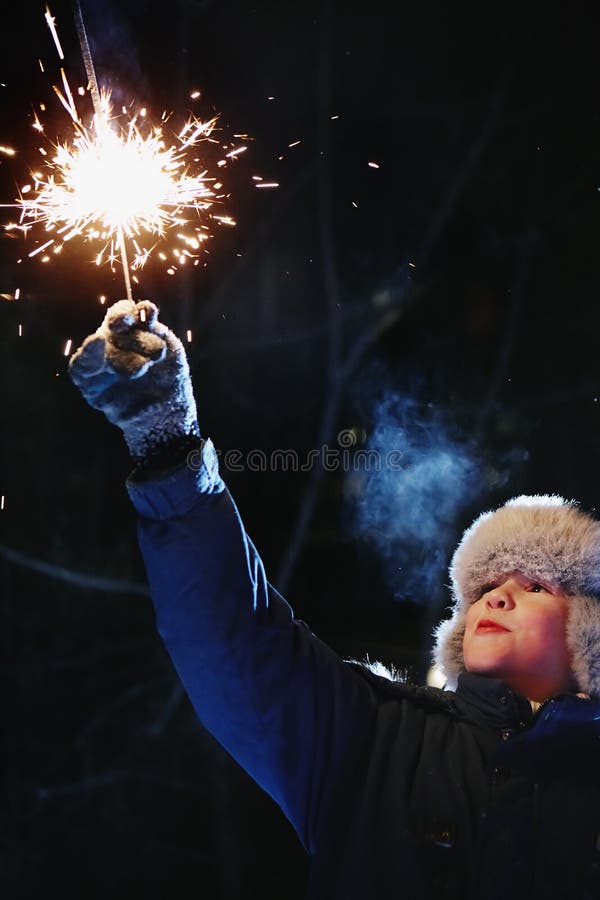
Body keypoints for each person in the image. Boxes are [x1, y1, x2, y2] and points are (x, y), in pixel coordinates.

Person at [69, 298, 600, 900]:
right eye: (485, 589)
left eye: (533, 586)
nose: (495, 601)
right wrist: (166, 442)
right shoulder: (373, 737)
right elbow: (231, 639)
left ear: (588, 630)